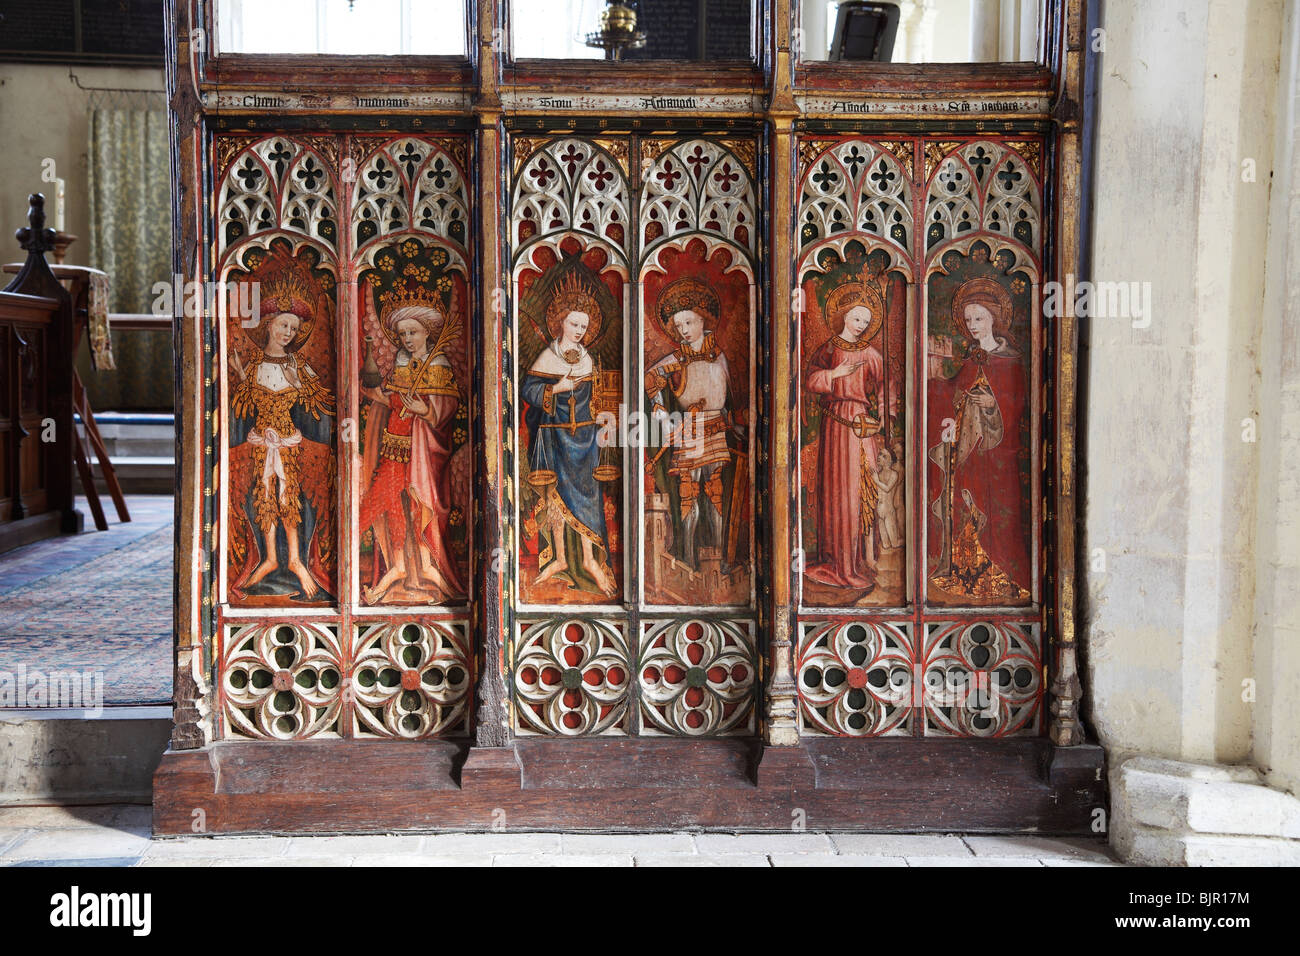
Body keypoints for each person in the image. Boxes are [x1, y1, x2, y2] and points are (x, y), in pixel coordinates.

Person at [229, 266, 335, 601]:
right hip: (261, 445)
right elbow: (242, 407)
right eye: (283, 325)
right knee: (264, 499)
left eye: (293, 328)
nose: (288, 332)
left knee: (290, 499)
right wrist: (239, 378)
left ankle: (296, 560)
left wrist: (299, 387)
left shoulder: (299, 367)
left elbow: (319, 410)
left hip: (289, 444)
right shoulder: (255, 367)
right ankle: (270, 559)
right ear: (268, 326)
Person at [358, 287, 466, 604]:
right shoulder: (403, 364)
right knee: (394, 515)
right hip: (394, 452)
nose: (407, 338)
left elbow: (448, 405)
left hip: (420, 457)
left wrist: (428, 411)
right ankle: (400, 574)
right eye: (403, 333)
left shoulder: (439, 363)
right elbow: (392, 399)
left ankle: (433, 577)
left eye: (413, 332)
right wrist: (371, 393)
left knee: (418, 514)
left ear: (427, 332)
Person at [927, 276, 1031, 601]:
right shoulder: (972, 360)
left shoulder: (1010, 359)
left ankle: (1001, 576)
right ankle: (965, 574)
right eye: (969, 319)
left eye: (979, 318)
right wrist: (934, 380)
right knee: (965, 504)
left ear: (993, 319)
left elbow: (1017, 408)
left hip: (996, 452)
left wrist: (993, 405)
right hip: (967, 449)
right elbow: (952, 393)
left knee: (996, 509)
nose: (973, 325)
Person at [521, 271, 618, 598]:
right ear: (560, 323)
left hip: (585, 440)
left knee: (588, 498)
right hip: (553, 437)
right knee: (555, 499)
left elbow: (598, 398)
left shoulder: (588, 359)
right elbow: (528, 390)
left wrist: (604, 415)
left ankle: (590, 561)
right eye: (575, 324)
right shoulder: (548, 356)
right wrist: (555, 388)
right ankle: (560, 558)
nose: (580, 331)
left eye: (584, 326)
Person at [645, 277, 745, 574]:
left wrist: (735, 422)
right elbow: (651, 380)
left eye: (688, 323)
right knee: (688, 494)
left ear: (703, 319)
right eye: (679, 327)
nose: (684, 331)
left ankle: (716, 558)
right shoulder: (677, 358)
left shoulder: (721, 357)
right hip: (688, 431)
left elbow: (731, 395)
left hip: (714, 429)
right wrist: (663, 418)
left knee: (714, 492)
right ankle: (687, 561)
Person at [803, 282, 887, 592]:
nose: (861, 325)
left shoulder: (871, 353)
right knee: (835, 490)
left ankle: (858, 560)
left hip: (860, 426)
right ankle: (835, 561)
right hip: (834, 423)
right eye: (857, 318)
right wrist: (834, 376)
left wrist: (882, 419)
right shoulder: (828, 349)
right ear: (844, 317)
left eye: (866, 321)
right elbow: (809, 380)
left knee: (859, 488)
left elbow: (886, 390)